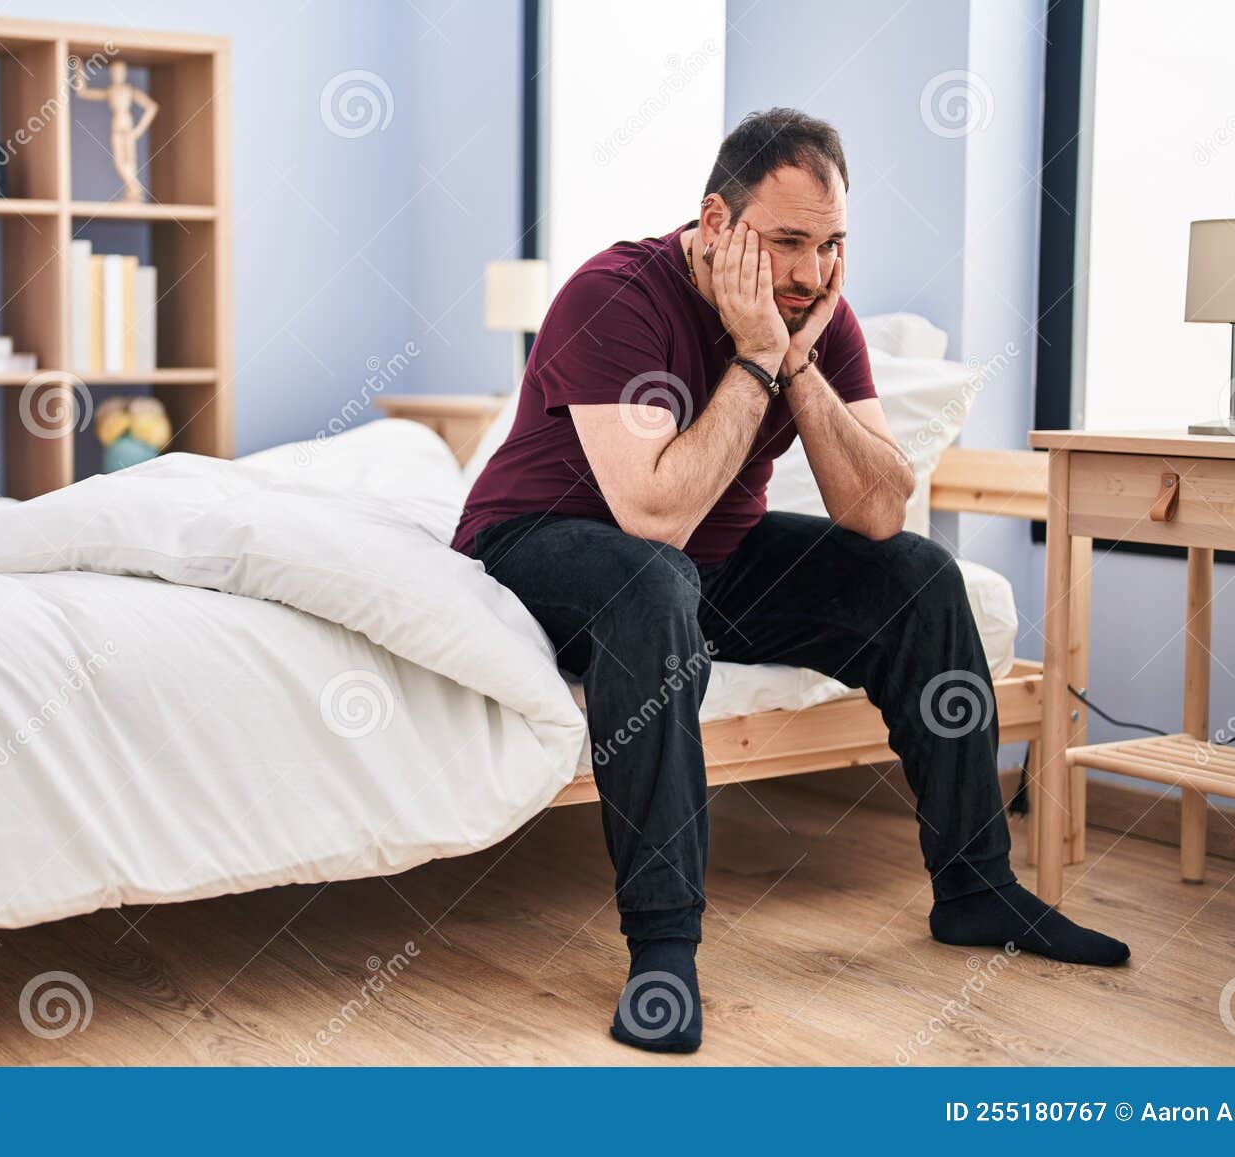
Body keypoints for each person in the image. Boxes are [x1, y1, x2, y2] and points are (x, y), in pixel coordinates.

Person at [452, 109, 1129, 1055]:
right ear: (716, 223)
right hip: (539, 543)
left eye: (832, 244)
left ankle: (979, 889)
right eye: (788, 243)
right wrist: (758, 357)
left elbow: (880, 508)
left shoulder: (815, 312)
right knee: (652, 581)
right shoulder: (614, 295)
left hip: (701, 564)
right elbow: (656, 513)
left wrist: (798, 366)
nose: (812, 272)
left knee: (921, 577)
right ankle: (663, 950)